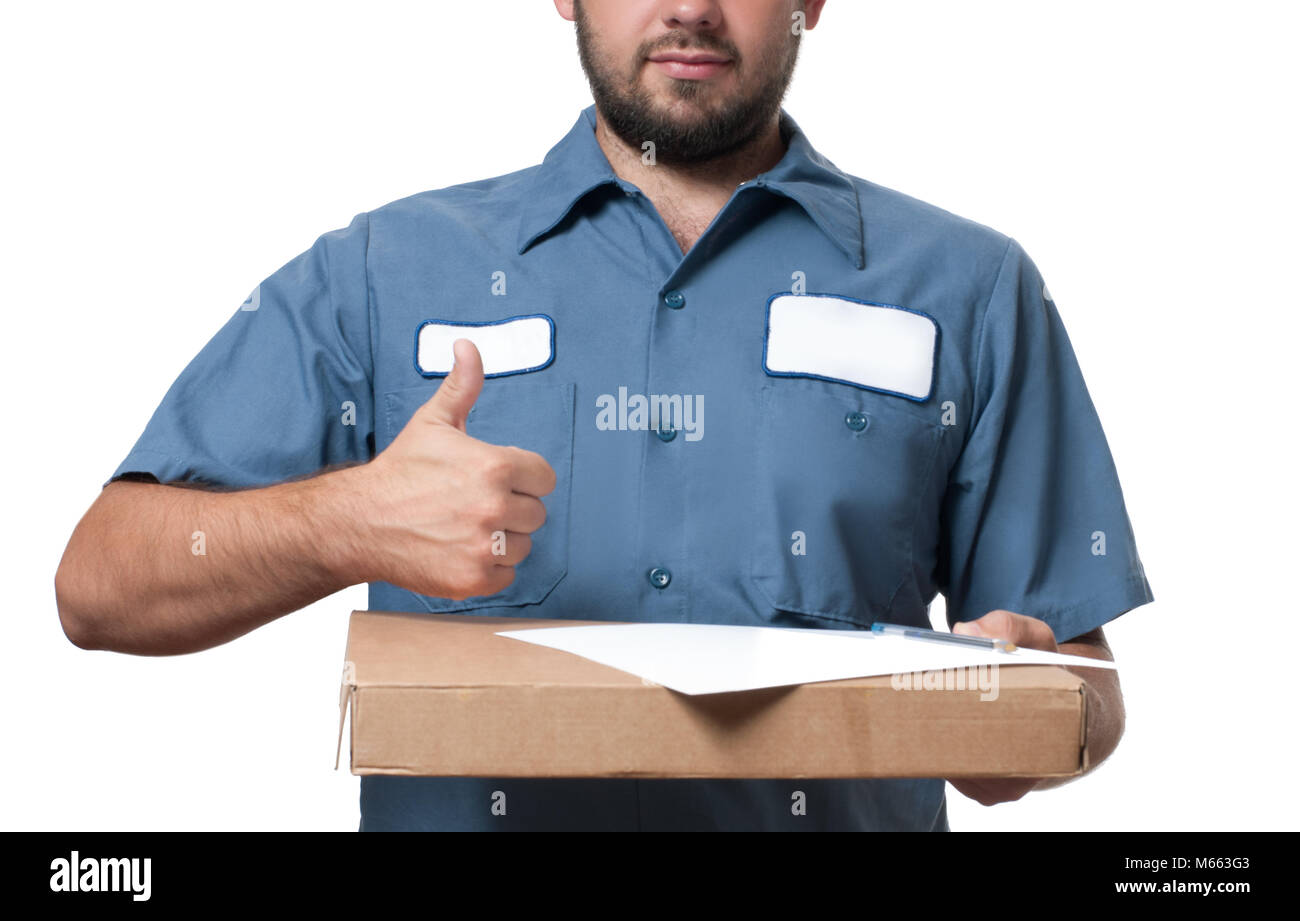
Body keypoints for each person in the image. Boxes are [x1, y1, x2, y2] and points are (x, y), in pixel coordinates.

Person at [54, 0, 1153, 831]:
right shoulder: (385, 271)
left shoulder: (967, 286)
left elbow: (1086, 684)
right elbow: (100, 584)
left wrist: (1027, 706)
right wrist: (345, 525)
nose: (688, 10)